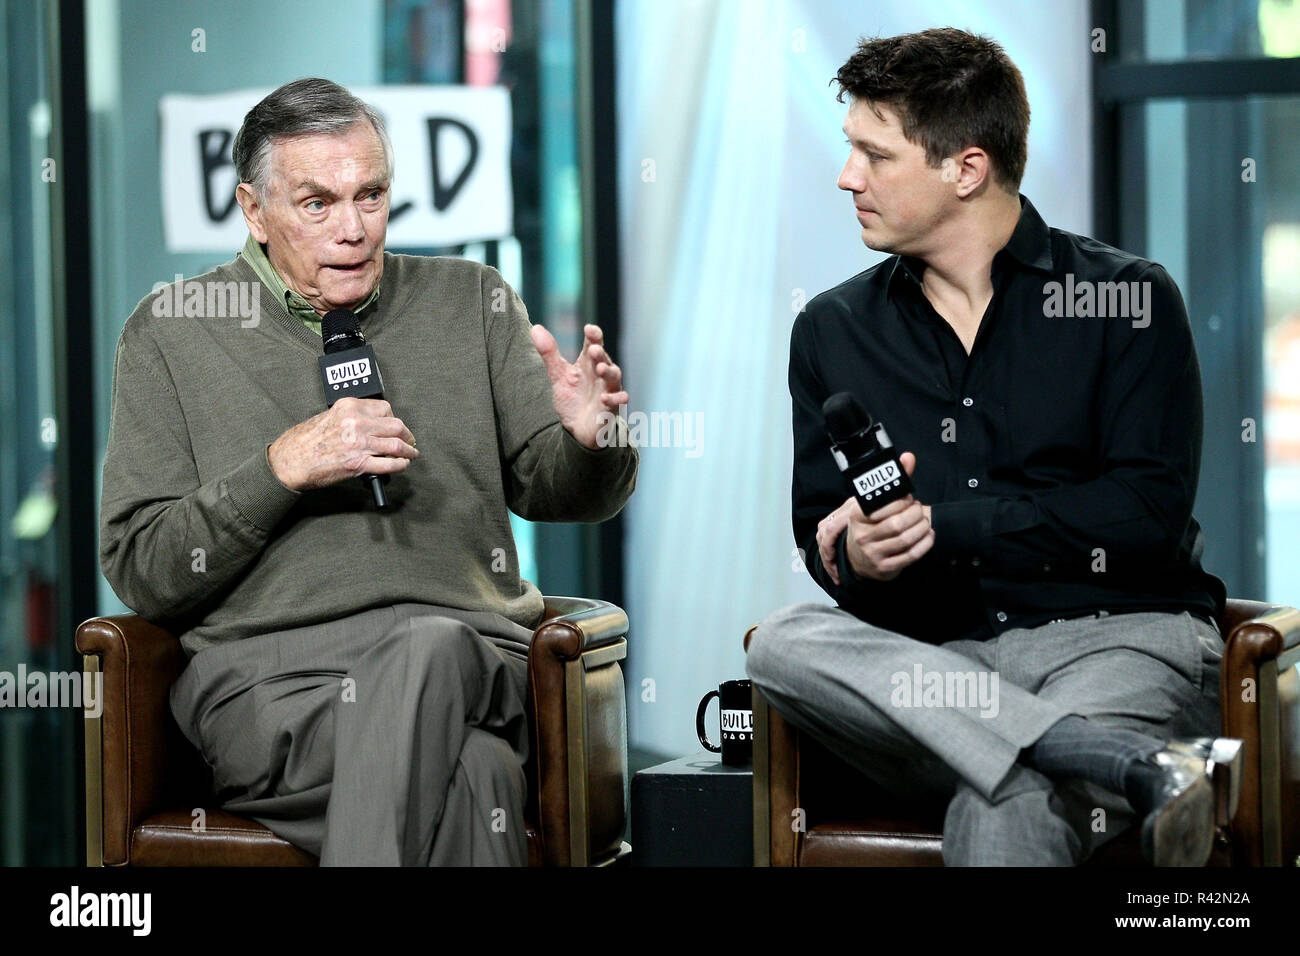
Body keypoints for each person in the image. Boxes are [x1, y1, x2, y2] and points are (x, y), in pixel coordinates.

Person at [99, 78, 638, 866]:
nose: (353, 229)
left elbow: (559, 492)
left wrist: (593, 441)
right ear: (254, 210)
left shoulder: (472, 298)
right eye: (317, 204)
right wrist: (281, 468)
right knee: (478, 775)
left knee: (432, 646)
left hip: (482, 660)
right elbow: (143, 570)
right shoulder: (168, 333)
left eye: (372, 196)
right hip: (275, 687)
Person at [745, 28, 1240, 866]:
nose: (846, 177)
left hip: (1116, 639)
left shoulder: (1125, 299)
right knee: (784, 643)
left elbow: (1144, 516)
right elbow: (820, 538)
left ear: (966, 169)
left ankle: (1075, 750)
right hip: (936, 662)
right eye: (849, 150)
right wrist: (859, 554)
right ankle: (1119, 765)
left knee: (1004, 803)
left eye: (875, 154)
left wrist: (950, 526)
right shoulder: (832, 328)